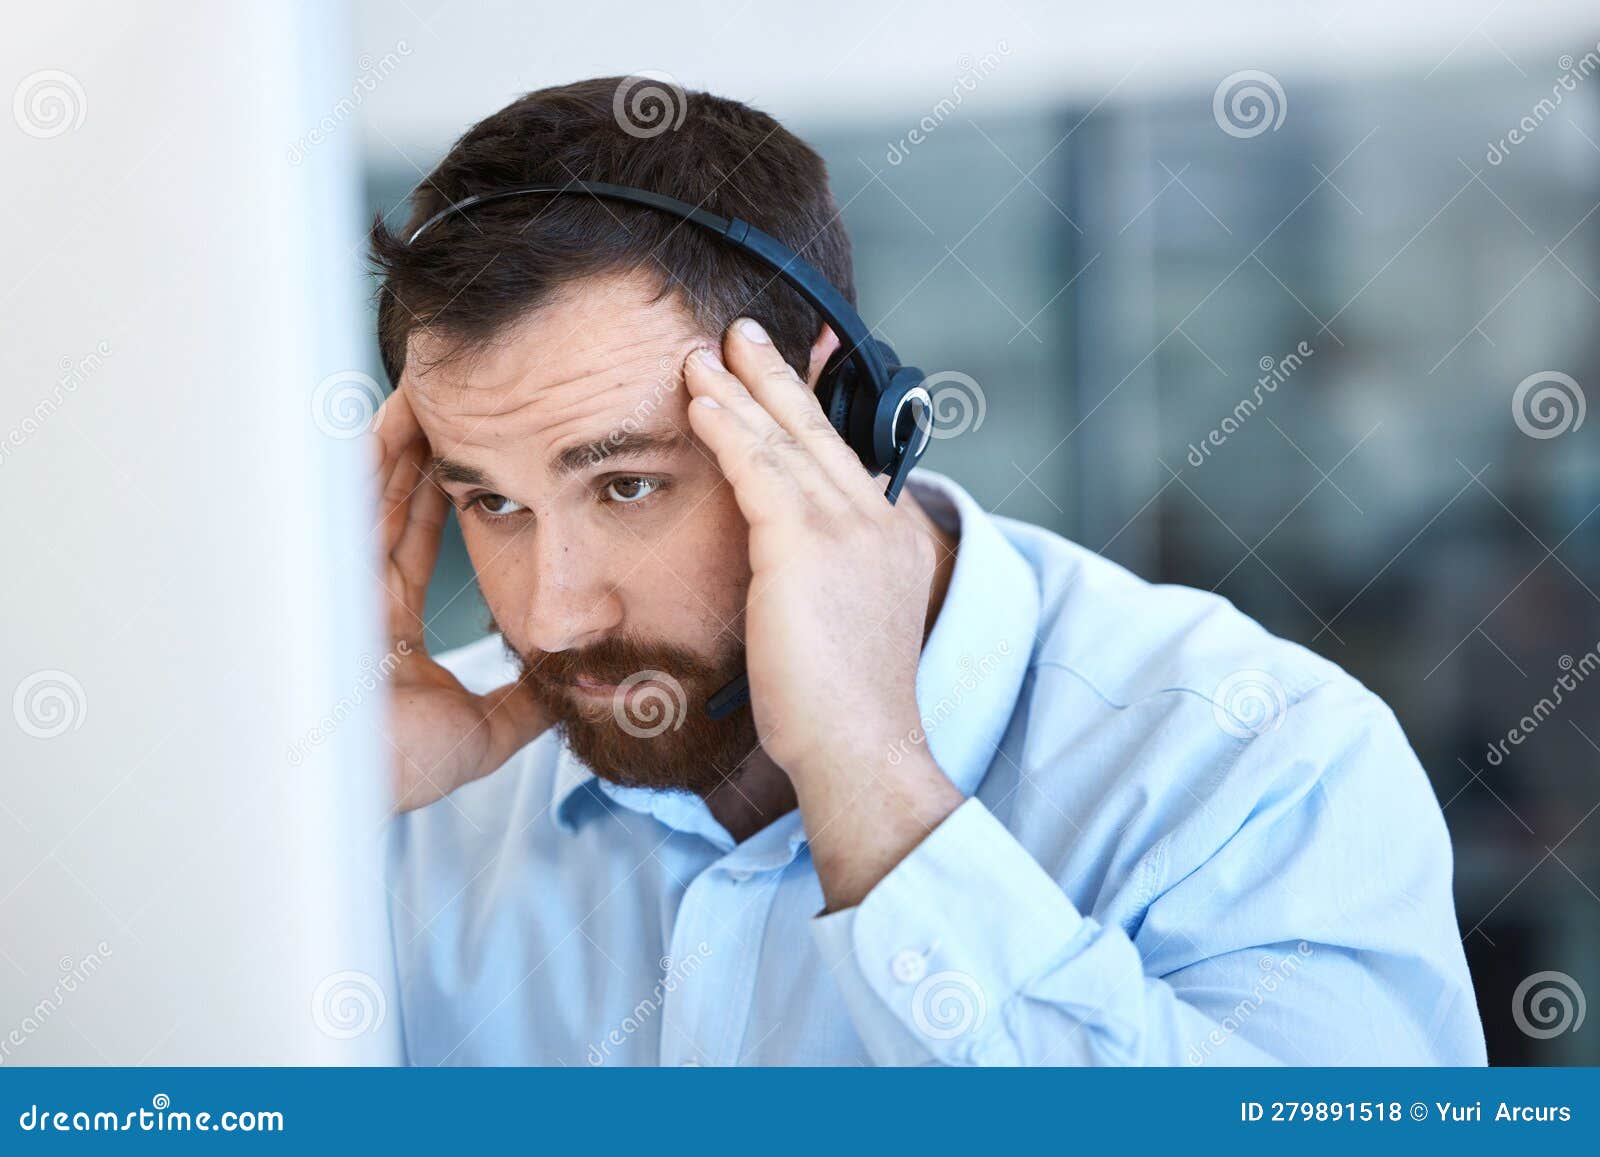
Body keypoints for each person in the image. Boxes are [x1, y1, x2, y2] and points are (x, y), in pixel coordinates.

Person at [368, 76, 1486, 1066]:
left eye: (627, 485)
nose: (552, 614)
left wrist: (877, 787)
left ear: (840, 420)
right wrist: (298, 820)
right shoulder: (402, 793)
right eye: (492, 502)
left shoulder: (1261, 766)